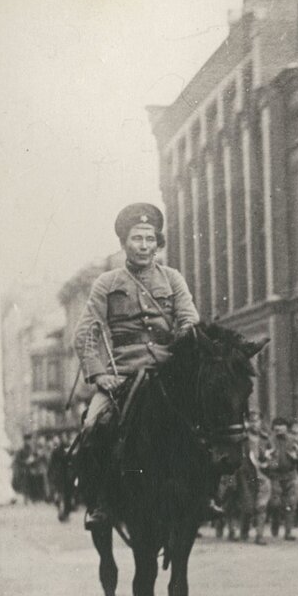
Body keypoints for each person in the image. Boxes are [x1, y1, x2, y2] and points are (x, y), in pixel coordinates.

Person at [73, 202, 203, 529]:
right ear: (124, 244)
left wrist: (182, 354)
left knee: (207, 421)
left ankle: (206, 494)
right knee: (92, 426)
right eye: (137, 239)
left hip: (166, 371)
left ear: (157, 243)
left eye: (149, 239)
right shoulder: (106, 283)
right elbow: (87, 331)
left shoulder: (173, 279)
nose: (144, 246)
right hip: (122, 376)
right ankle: (101, 501)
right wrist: (100, 375)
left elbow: (189, 320)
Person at [263, 417, 298, 541]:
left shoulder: (294, 440)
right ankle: (275, 522)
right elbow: (265, 459)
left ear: (287, 427)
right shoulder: (269, 441)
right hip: (275, 476)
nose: (279, 428)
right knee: (275, 504)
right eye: (276, 425)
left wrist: (296, 457)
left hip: (290, 475)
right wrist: (272, 461)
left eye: (282, 425)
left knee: (290, 504)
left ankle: (288, 532)